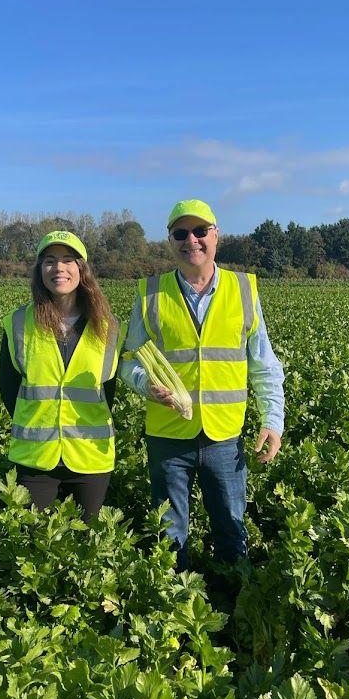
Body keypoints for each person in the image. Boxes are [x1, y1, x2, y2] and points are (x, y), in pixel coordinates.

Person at [120, 199, 284, 571]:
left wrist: (273, 420)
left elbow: (264, 364)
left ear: (216, 235)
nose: (190, 240)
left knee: (230, 524)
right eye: (181, 233)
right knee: (169, 532)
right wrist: (146, 386)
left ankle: (232, 600)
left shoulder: (243, 290)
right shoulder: (149, 293)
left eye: (199, 231)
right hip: (168, 435)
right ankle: (174, 604)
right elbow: (129, 360)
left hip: (224, 436)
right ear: (170, 241)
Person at [0, 230, 125, 522]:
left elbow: (109, 391)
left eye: (69, 260)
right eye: (49, 261)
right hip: (34, 459)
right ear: (39, 270)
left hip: (90, 456)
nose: (59, 268)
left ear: (82, 270)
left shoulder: (108, 327)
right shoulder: (18, 323)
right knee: (32, 543)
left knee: (86, 546)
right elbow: (9, 390)